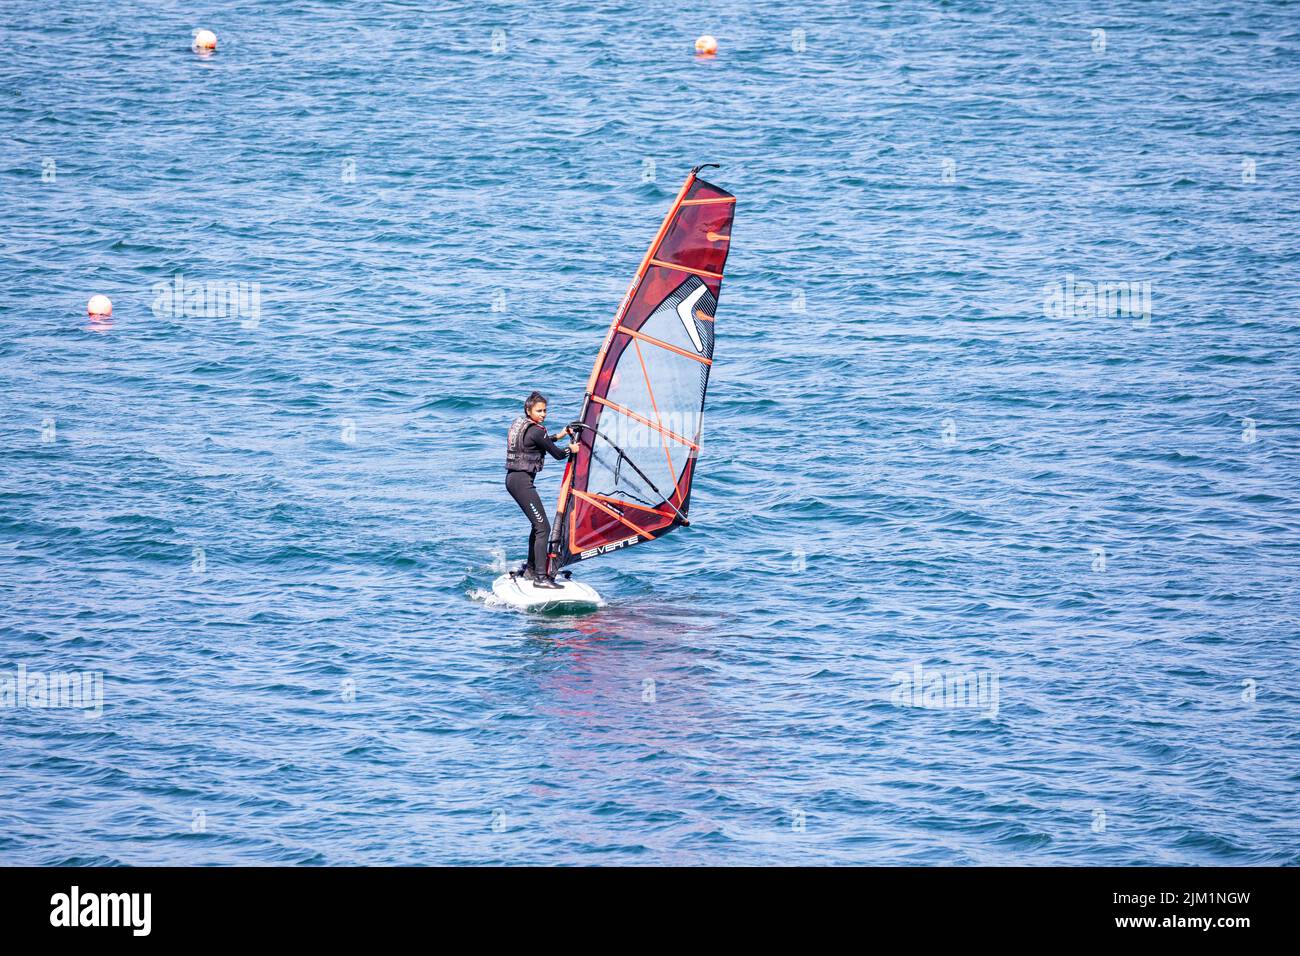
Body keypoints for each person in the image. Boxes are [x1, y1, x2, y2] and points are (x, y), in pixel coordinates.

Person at [505, 391, 577, 587]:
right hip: (521, 483)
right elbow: (559, 455)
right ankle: (540, 578)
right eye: (539, 411)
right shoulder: (537, 430)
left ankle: (530, 569)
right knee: (542, 527)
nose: (543, 414)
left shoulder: (526, 427)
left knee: (537, 526)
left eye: (545, 410)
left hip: (515, 480)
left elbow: (541, 443)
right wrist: (572, 448)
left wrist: (561, 435)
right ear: (529, 410)